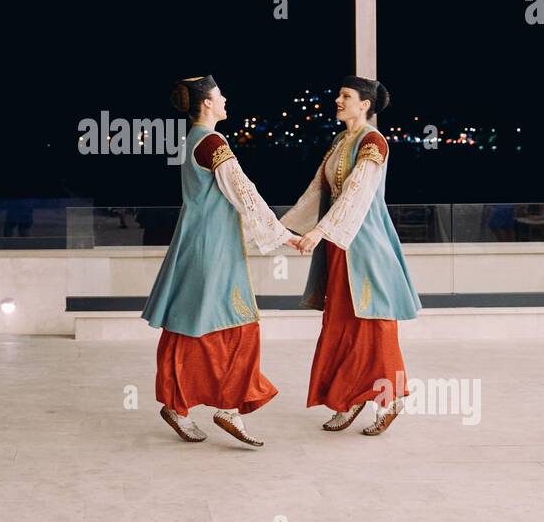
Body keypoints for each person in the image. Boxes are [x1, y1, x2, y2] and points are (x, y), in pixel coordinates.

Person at [142, 75, 299, 447]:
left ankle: (182, 406)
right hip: (212, 247)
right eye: (219, 95)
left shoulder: (195, 139)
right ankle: (226, 408)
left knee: (190, 324)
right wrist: (282, 235)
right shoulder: (210, 142)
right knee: (239, 324)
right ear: (207, 103)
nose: (225, 98)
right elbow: (243, 191)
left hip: (199, 243)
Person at [283, 76, 421, 436]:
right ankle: (351, 397)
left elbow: (356, 195)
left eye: (346, 96)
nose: (338, 101)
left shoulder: (373, 142)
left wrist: (319, 232)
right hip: (339, 247)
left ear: (365, 105)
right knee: (342, 324)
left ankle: (391, 398)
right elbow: (318, 189)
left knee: (376, 322)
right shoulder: (340, 140)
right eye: (339, 95)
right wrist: (284, 230)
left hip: (366, 246)